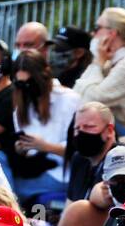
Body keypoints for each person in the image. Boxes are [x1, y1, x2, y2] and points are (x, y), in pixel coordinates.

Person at [10, 51, 81, 209]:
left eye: (31, 83)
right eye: (21, 84)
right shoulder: (22, 106)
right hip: (34, 168)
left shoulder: (69, 99)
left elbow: (79, 150)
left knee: (10, 192)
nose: (27, 88)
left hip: (61, 173)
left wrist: (46, 147)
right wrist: (22, 148)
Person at [74, 7, 125, 137]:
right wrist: (99, 62)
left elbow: (88, 103)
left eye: (97, 28)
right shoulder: (112, 63)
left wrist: (97, 63)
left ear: (111, 33)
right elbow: (77, 93)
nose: (92, 33)